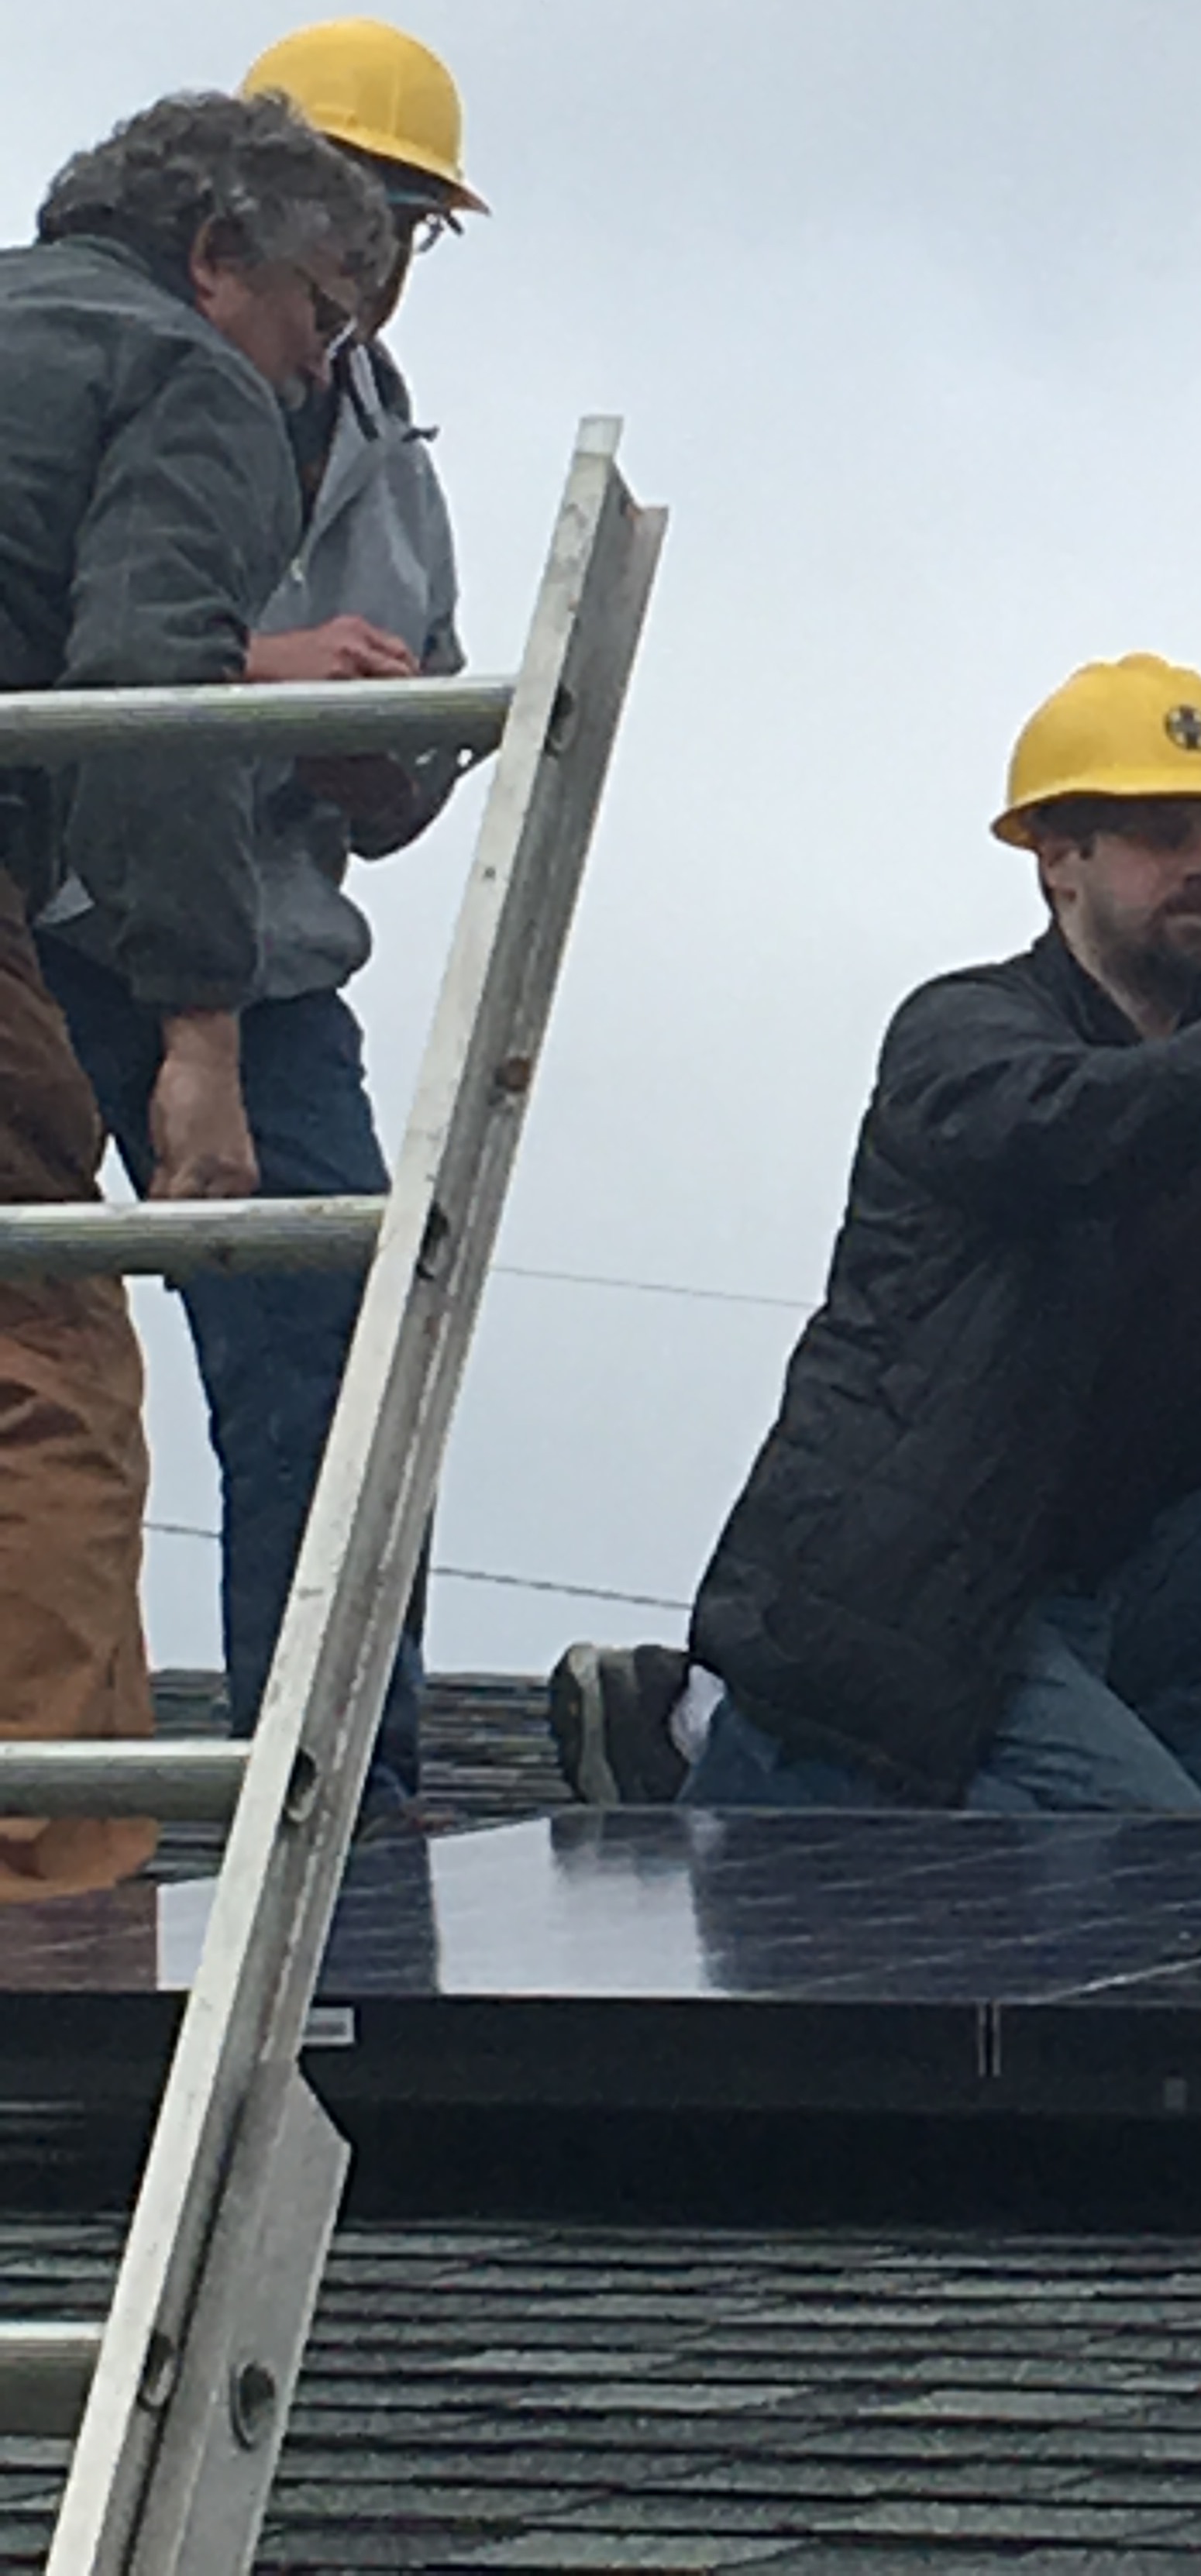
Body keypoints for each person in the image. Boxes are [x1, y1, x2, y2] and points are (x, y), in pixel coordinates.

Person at [551, 655, 1201, 1814]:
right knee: (1153, 1870)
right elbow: (1095, 1126)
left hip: (1133, 1588)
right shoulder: (961, 1036)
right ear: (1059, 859)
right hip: (943, 1604)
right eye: (1162, 835)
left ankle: (1156, 1810)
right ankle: (735, 1742)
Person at [39, 21, 482, 1834]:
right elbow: (103, 649)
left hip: (270, 955)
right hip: (53, 926)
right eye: (362, 200)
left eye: (412, 222)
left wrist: (382, 756)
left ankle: (336, 1809)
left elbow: (420, 751)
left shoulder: (390, 454)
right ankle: (59, 1830)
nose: (380, 253)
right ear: (243, 205)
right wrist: (258, 670)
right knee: (43, 1379)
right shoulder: (116, 362)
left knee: (341, 1373)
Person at [0, 92, 391, 1898]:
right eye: (320, 312)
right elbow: (149, 692)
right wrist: (203, 1035)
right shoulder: (187, 378)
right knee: (43, 1365)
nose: (325, 364)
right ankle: (48, 1903)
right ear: (217, 257)